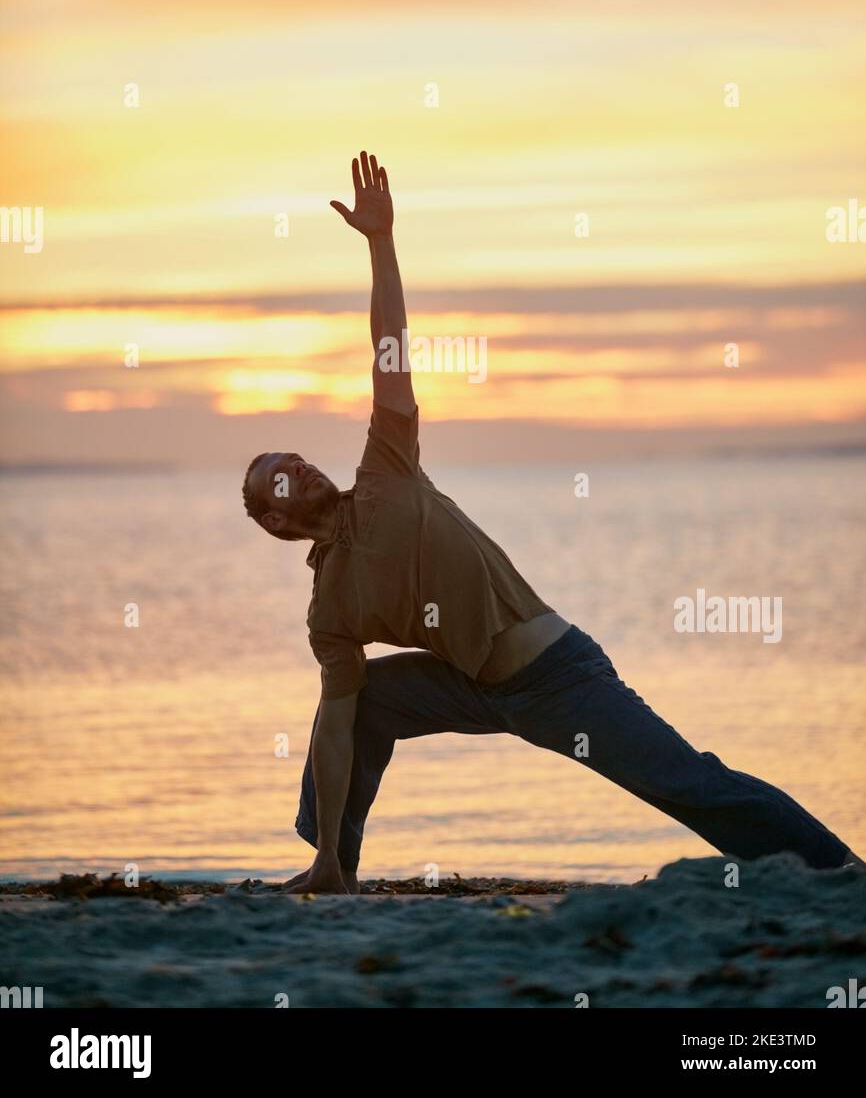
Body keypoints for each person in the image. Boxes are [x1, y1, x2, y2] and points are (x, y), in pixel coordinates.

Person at [242, 150, 860, 893]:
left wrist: (381, 243)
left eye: (296, 455)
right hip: (472, 686)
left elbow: (390, 352)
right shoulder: (329, 611)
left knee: (687, 783)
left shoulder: (384, 473)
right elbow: (338, 731)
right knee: (354, 702)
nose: (300, 466)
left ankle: (842, 878)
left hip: (557, 677)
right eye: (280, 474)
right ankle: (331, 866)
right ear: (277, 522)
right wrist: (330, 856)